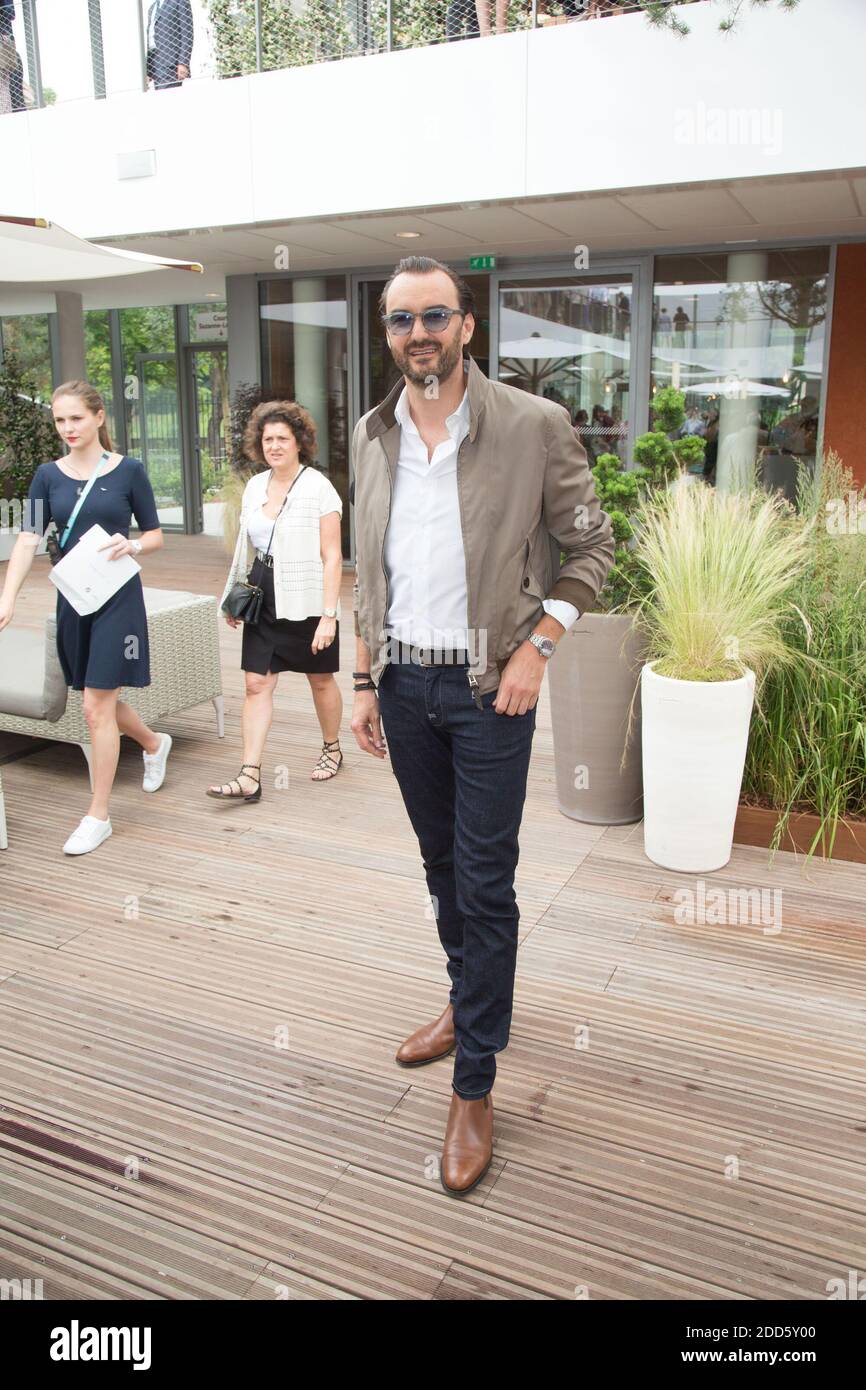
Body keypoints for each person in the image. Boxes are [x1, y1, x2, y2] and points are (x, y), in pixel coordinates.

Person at [351, 257, 614, 1196]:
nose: (416, 332)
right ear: (386, 333)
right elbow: (365, 564)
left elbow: (591, 546)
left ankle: (475, 1084)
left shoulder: (532, 427)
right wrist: (362, 676)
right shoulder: (370, 433)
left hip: (488, 687)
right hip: (404, 687)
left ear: (467, 325)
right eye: (398, 320)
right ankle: (468, 1003)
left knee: (485, 880)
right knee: (438, 868)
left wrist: (538, 646)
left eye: (434, 315)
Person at [0, 381, 169, 856]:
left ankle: (98, 815)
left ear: (98, 417)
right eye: (59, 420)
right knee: (97, 696)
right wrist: (7, 598)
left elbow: (155, 535)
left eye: (75, 418)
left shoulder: (129, 471)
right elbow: (28, 540)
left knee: (95, 706)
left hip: (118, 596)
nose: (67, 428)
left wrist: (133, 544)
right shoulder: (45, 476)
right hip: (73, 596)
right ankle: (154, 744)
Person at [210, 400, 344, 801]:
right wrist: (234, 599)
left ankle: (332, 748)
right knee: (255, 684)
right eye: (268, 439)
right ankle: (250, 773)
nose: (275, 445)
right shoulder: (255, 486)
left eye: (283, 438)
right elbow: (245, 549)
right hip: (263, 595)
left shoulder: (319, 487)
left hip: (306, 597)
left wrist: (329, 616)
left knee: (320, 680)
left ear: (299, 442)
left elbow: (332, 556)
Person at [146, 0, 193, 91]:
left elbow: (187, 33)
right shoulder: (152, 8)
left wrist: (183, 62)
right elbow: (150, 37)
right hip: (155, 64)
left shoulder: (179, 1)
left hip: (171, 63)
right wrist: (147, 69)